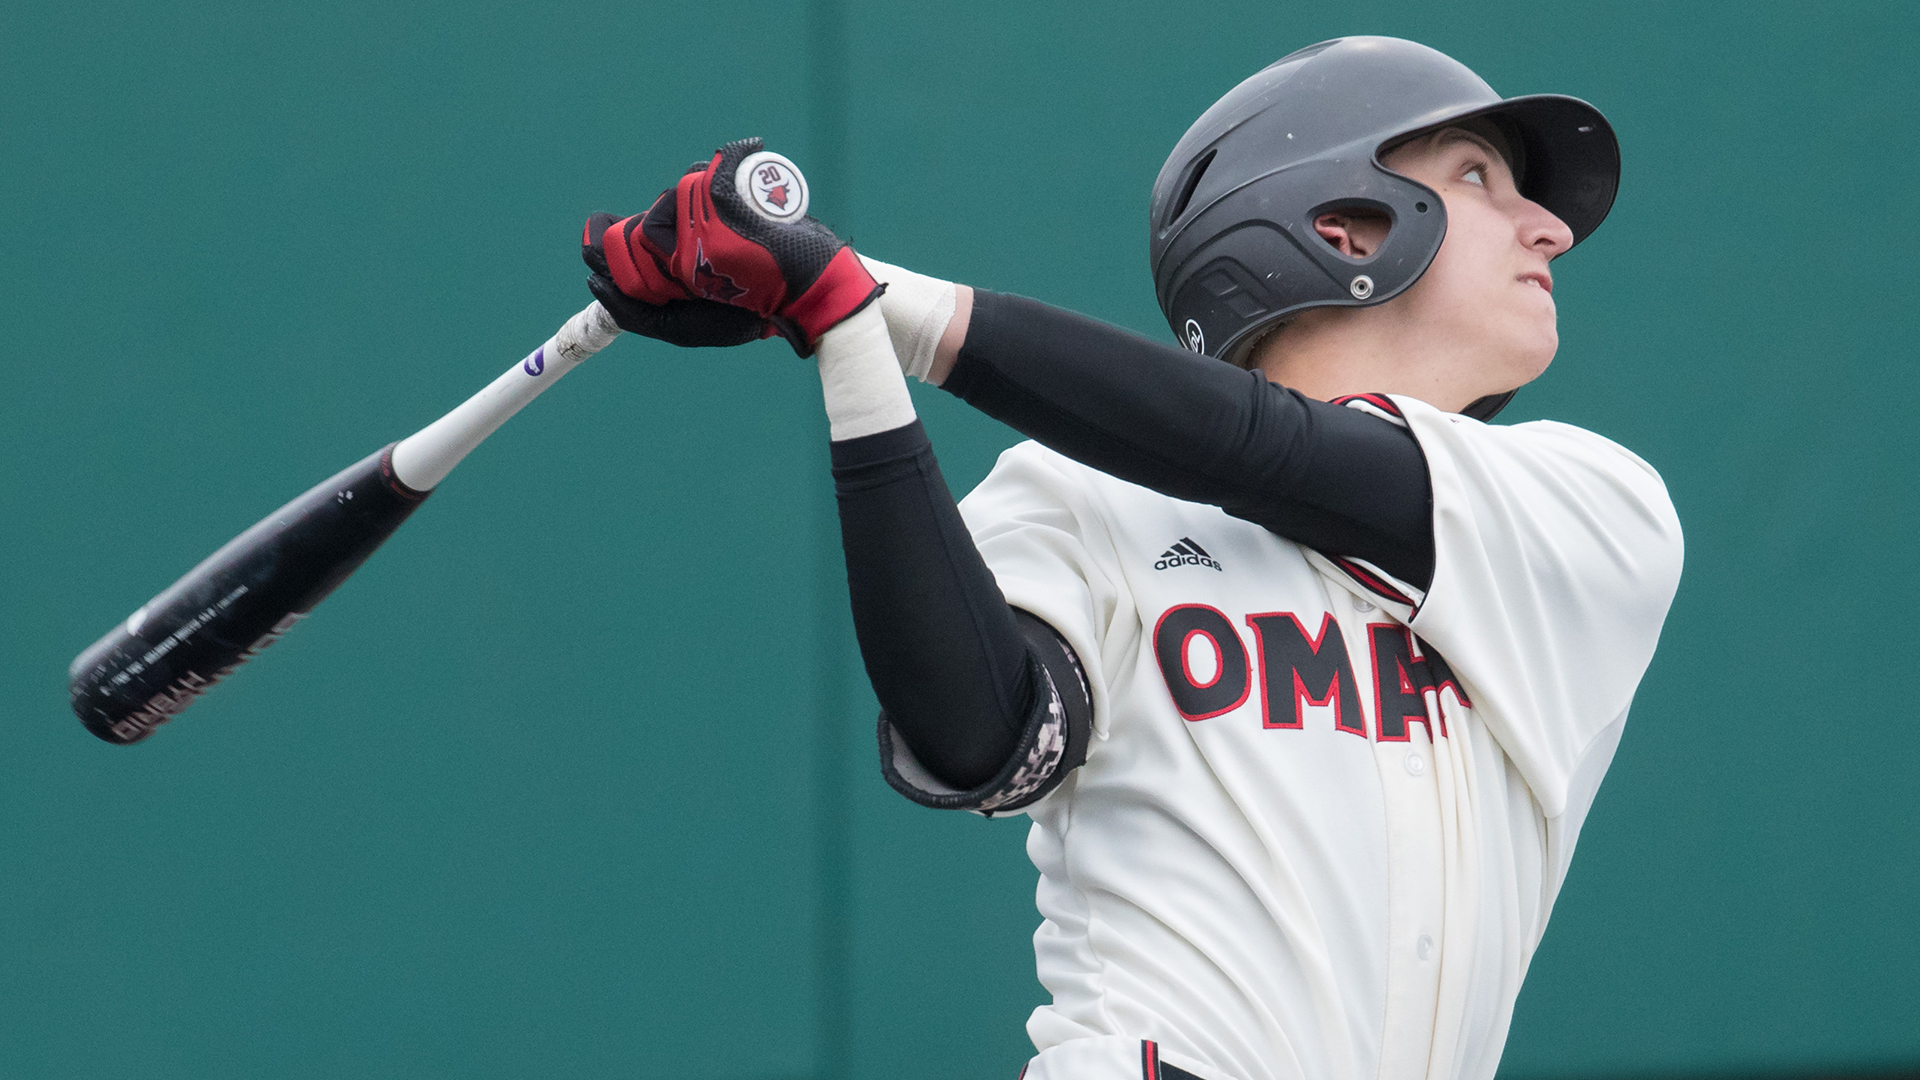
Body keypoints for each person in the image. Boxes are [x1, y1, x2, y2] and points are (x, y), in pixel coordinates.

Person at [581, 36, 1683, 1080]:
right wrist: (851, 341)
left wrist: (864, 293)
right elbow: (979, 744)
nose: (1549, 227)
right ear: (1344, 224)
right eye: (1481, 175)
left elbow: (1273, 451)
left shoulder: (1586, 511)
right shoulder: (1083, 502)